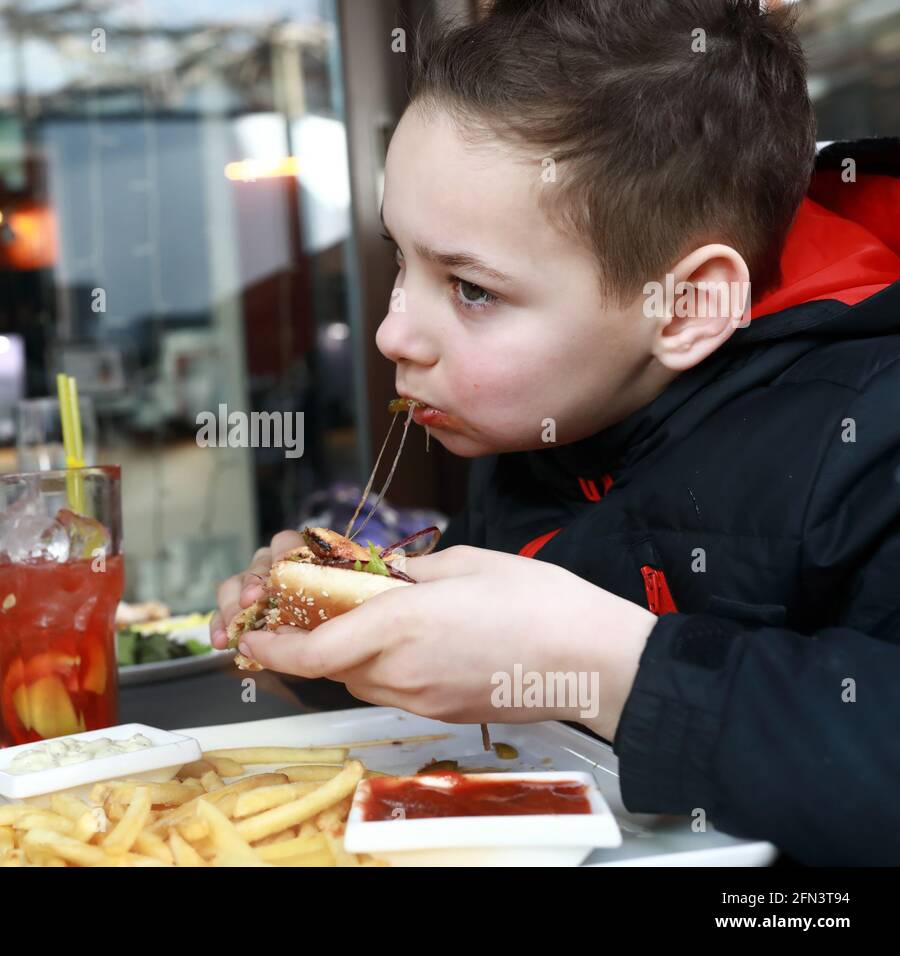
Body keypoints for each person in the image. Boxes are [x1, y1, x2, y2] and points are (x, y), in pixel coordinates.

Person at [210, 0, 900, 865]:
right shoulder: (546, 422)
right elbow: (484, 688)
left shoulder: (872, 432)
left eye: (471, 289)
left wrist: (608, 664)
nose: (392, 334)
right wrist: (341, 645)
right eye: (400, 259)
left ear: (683, 306)